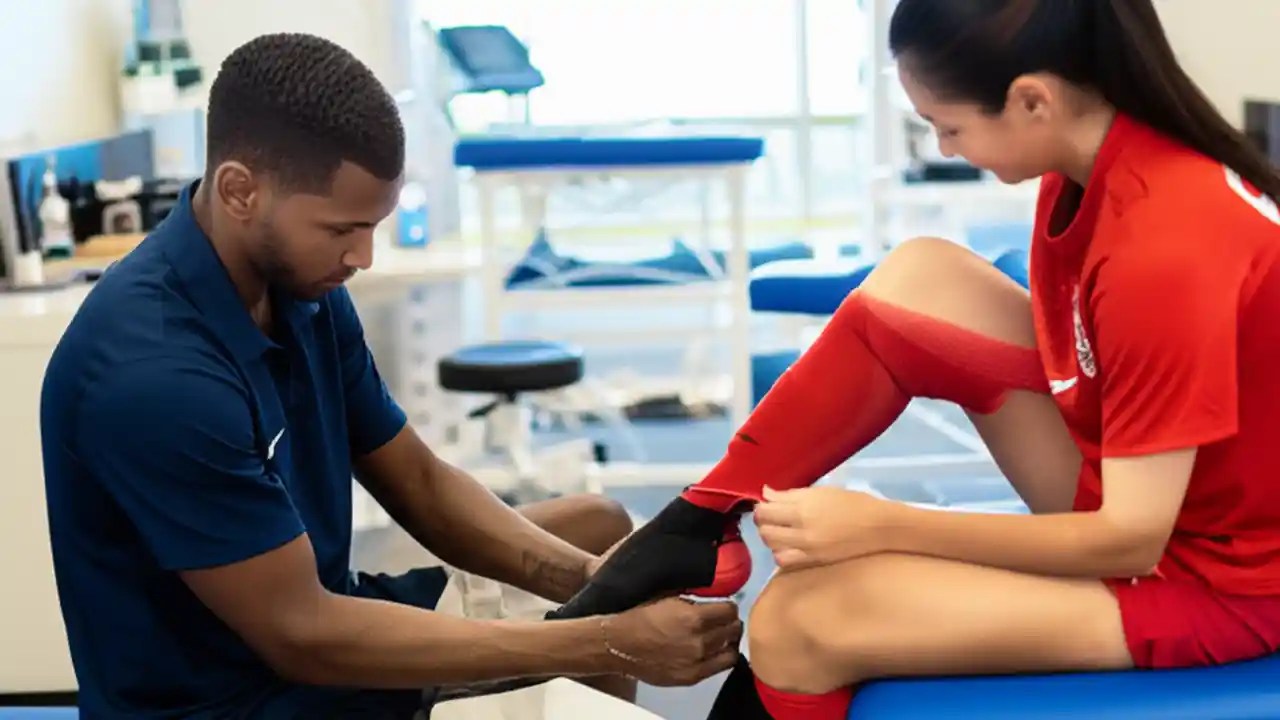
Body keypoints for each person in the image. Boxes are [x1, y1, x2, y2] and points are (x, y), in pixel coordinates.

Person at [550, 1, 1280, 718]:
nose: (947, 150)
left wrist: (883, 526)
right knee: (922, 274)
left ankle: (699, 549)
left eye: (948, 127)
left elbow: (1131, 536)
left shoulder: (1165, 247)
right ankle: (701, 520)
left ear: (1033, 100)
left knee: (799, 619)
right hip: (1164, 500)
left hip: (1217, 583)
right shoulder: (1087, 171)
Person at [40, 33, 741, 720]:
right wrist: (603, 643)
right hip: (249, 692)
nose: (364, 256)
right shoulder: (154, 375)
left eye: (374, 225)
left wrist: (591, 586)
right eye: (343, 229)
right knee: (594, 637)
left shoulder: (300, 290)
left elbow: (421, 483)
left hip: (328, 632)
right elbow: (304, 637)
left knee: (598, 533)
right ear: (239, 191)